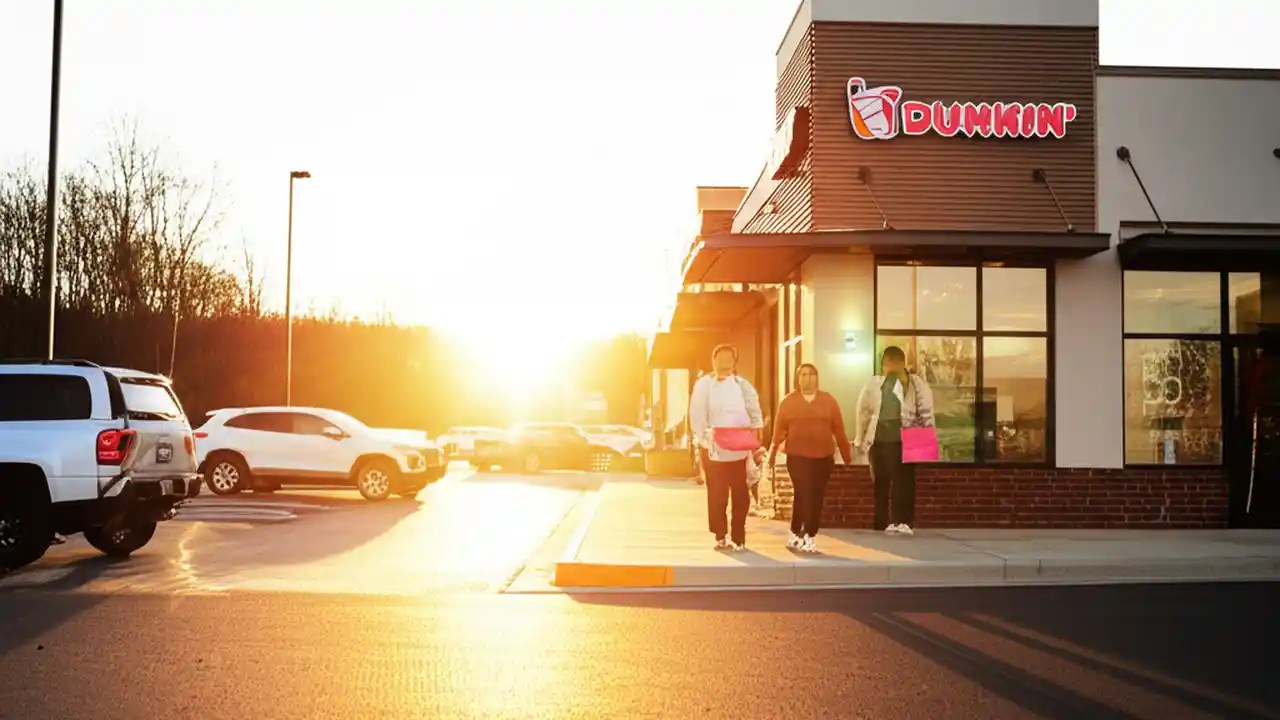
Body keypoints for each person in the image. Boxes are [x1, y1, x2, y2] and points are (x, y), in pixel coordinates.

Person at [768, 363, 852, 553]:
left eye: (811, 374)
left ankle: (809, 534)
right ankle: (796, 531)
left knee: (816, 495)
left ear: (817, 378)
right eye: (803, 374)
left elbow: (839, 429)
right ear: (798, 379)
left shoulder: (828, 401)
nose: (807, 378)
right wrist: (772, 455)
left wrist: (847, 456)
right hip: (798, 456)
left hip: (823, 457)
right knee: (802, 492)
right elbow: (778, 431)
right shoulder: (788, 402)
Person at [689, 344, 764, 551]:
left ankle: (738, 536)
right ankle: (720, 535)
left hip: (739, 449)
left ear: (734, 362)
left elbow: (754, 410)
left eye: (728, 359)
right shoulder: (704, 385)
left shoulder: (742, 385)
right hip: (714, 449)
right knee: (717, 495)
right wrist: (705, 441)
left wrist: (757, 440)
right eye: (719, 359)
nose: (724, 364)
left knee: (741, 494)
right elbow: (697, 414)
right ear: (713, 361)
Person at [854, 346, 935, 536]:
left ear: (901, 363)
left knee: (903, 482)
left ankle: (903, 521)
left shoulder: (915, 383)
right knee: (880, 483)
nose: (889, 366)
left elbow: (926, 411)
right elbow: (863, 410)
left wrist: (925, 443)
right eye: (887, 362)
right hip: (878, 440)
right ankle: (881, 521)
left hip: (906, 438)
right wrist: (860, 439)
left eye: (893, 362)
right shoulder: (874, 383)